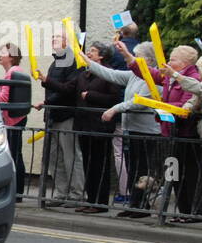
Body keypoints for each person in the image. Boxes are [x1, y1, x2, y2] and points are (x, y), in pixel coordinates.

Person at [85, 41, 160, 217]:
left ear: (147, 60)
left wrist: (115, 109)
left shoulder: (154, 77)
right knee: (133, 168)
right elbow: (112, 74)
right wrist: (89, 62)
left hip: (147, 130)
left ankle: (141, 205)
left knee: (142, 170)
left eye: (136, 56)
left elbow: (140, 101)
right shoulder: (134, 75)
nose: (131, 60)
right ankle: (134, 204)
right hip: (132, 128)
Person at [167, 51, 202, 226]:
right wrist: (185, 108)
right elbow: (194, 99)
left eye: (200, 68)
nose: (197, 71)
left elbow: (199, 89)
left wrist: (175, 75)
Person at [72, 42, 122, 213]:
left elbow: (114, 98)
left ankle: (100, 202)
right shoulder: (84, 73)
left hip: (100, 125)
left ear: (102, 56)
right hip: (84, 124)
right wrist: (47, 81)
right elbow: (69, 89)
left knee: (99, 164)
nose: (89, 52)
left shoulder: (108, 73)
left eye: (93, 51)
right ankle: (90, 199)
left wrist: (91, 95)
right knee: (88, 162)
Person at [158, 45, 202, 222]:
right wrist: (130, 59)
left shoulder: (192, 78)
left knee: (188, 173)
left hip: (186, 134)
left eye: (173, 59)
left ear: (184, 63)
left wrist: (162, 108)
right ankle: (182, 211)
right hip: (171, 132)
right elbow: (151, 74)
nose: (169, 62)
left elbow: (186, 105)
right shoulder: (170, 77)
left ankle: (195, 212)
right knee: (174, 173)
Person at [37, 35, 85, 206]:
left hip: (66, 115)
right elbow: (55, 88)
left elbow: (68, 89)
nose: (53, 39)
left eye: (58, 38)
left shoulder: (73, 62)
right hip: (54, 115)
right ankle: (61, 193)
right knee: (54, 157)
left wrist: (47, 84)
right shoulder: (55, 62)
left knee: (70, 156)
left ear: (68, 42)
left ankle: (76, 194)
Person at [0, 43, 32, 201]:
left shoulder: (12, 72)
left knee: (14, 155)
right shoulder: (13, 72)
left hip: (12, 120)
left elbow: (4, 98)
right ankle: (16, 192)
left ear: (11, 56)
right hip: (15, 119)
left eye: (2, 52)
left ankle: (17, 192)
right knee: (16, 154)